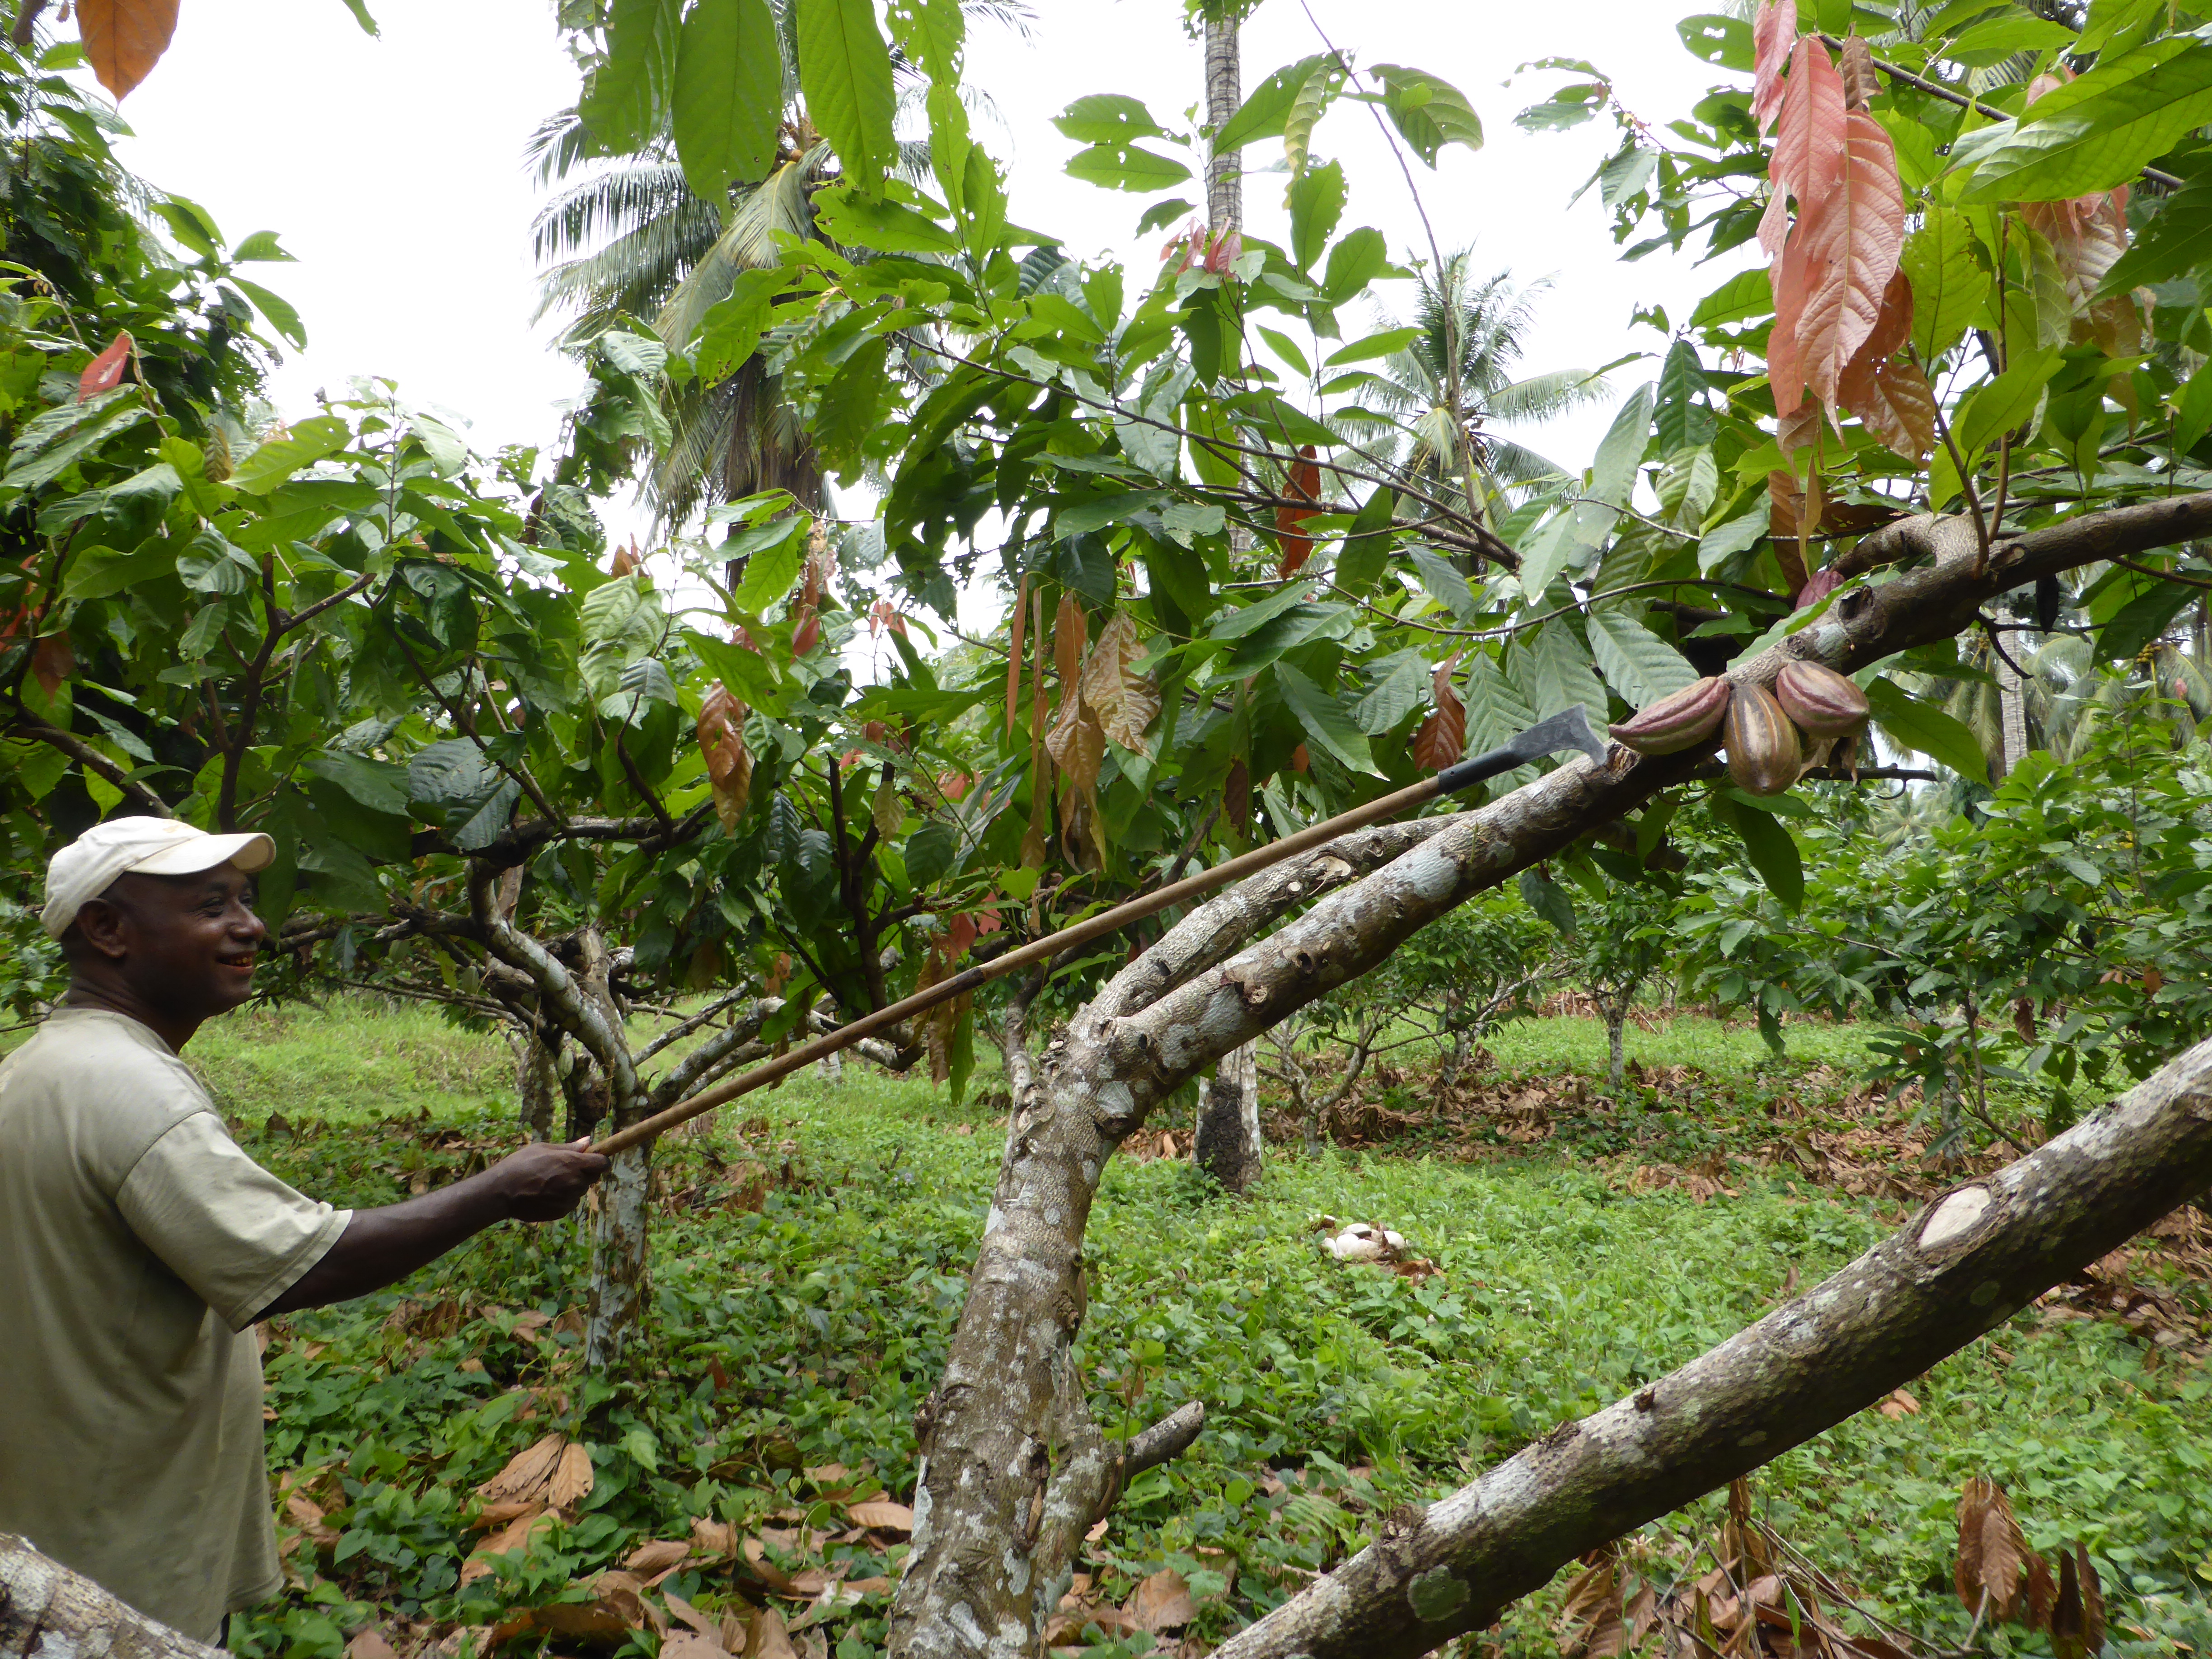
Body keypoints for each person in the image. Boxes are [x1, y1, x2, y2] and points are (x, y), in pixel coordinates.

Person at [0, 816, 608, 1644]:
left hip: (56, 1514)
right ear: (108, 930)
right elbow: (301, 1264)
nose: (250, 925)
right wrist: (498, 1191)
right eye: (211, 905)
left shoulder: (42, 1066)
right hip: (117, 1551)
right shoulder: (131, 1089)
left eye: (245, 901)